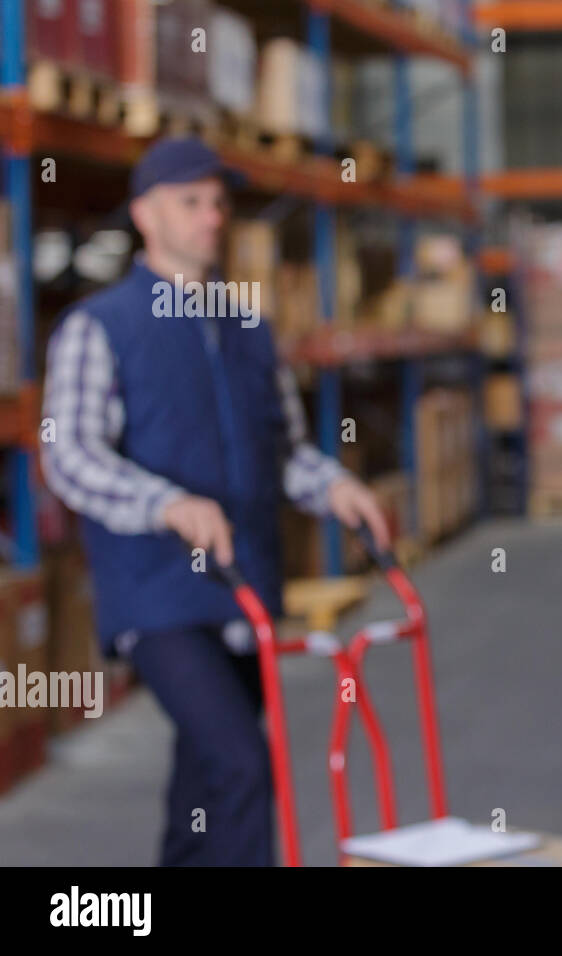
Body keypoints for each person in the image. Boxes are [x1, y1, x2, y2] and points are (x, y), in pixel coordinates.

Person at [39, 137, 391, 866]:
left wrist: (335, 486)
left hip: (247, 585)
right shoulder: (99, 327)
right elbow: (68, 452)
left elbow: (284, 450)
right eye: (190, 202)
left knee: (205, 778)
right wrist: (165, 503)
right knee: (239, 764)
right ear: (144, 214)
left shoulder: (248, 330)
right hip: (158, 592)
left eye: (219, 203)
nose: (212, 217)